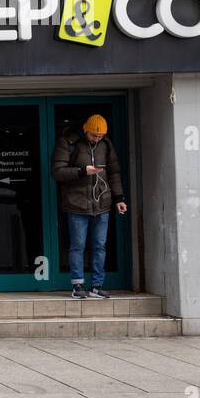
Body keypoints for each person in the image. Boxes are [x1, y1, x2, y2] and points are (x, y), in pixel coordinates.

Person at [50, 114, 128, 299]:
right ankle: (78, 286)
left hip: (102, 202)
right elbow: (58, 172)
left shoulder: (106, 145)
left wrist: (119, 199)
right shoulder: (69, 141)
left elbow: (114, 173)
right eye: (94, 135)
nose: (97, 139)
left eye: (100, 136)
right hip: (77, 203)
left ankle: (97, 285)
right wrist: (81, 171)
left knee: (100, 245)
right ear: (86, 130)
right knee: (78, 245)